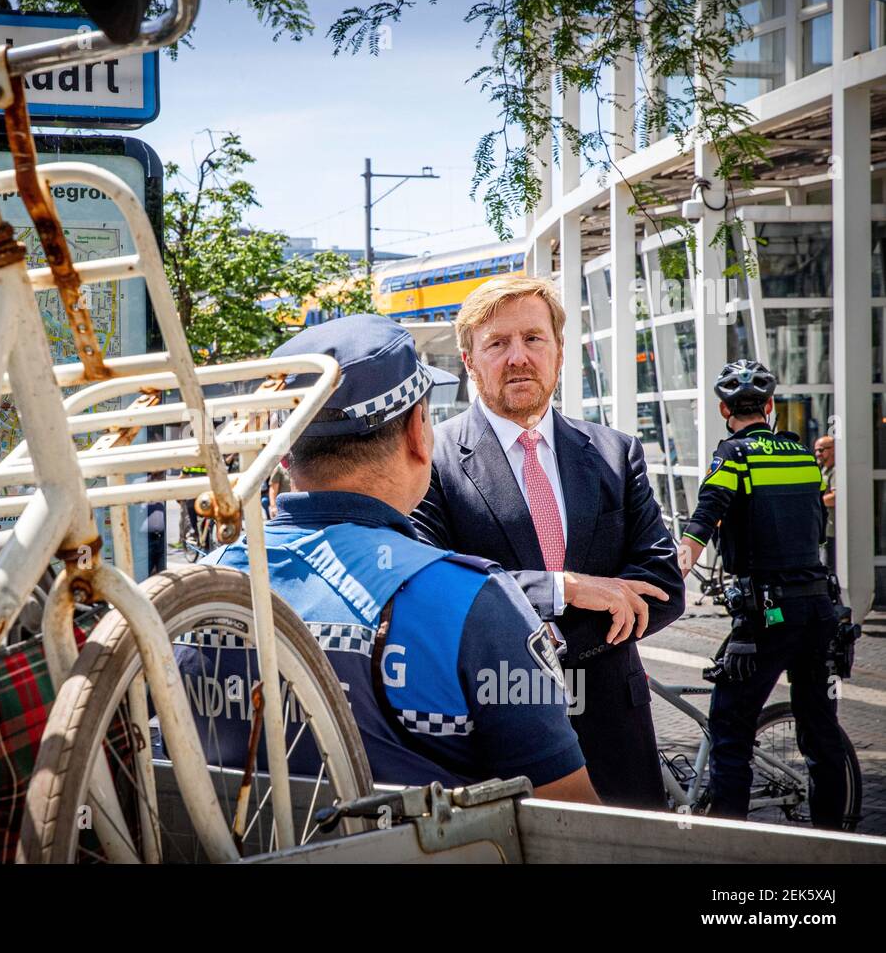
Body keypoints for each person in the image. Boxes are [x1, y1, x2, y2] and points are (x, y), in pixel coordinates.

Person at [183, 313, 599, 800]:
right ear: (418, 435)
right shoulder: (473, 602)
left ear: (282, 455)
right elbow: (568, 815)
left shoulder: (199, 589)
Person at [410, 275, 684, 808]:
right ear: (469, 360)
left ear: (560, 352)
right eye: (497, 344)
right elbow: (434, 586)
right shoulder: (430, 461)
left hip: (615, 731)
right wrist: (564, 590)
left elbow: (662, 585)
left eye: (534, 339)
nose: (518, 357)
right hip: (492, 731)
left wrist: (558, 642)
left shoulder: (614, 453)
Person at [676, 360, 848, 827]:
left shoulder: (734, 454)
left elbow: (707, 511)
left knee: (730, 734)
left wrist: (679, 564)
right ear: (770, 406)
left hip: (766, 613)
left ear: (723, 409)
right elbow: (815, 527)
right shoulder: (800, 455)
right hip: (820, 608)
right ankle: (834, 839)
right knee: (821, 732)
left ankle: (731, 848)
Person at [814, 434, 836, 577]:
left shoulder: (836, 470)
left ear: (833, 449)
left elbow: (836, 497)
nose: (818, 454)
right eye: (816, 450)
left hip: (834, 531)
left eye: (821, 450)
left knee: (830, 568)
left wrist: (813, 502)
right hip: (824, 530)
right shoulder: (822, 470)